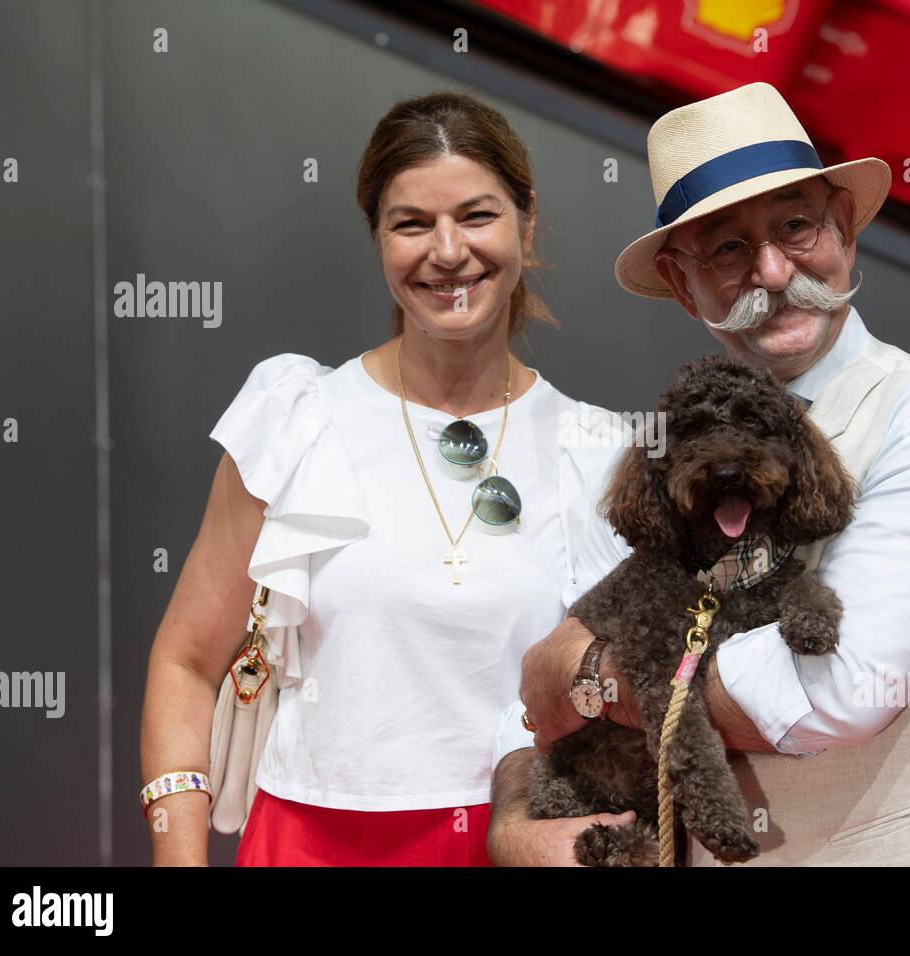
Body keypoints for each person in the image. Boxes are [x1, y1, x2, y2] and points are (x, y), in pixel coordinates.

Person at [487, 82, 910, 866]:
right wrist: (515, 818)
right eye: (729, 248)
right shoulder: (666, 456)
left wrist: (595, 675)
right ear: (684, 284)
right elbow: (534, 706)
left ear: (844, 227)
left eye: (796, 227)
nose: (775, 272)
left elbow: (837, 690)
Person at [139, 91, 631, 866]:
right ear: (377, 235)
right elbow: (187, 663)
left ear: (526, 222)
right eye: (411, 223)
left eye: (476, 215)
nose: (446, 251)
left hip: (513, 844)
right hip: (306, 844)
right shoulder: (295, 415)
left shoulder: (602, 452)